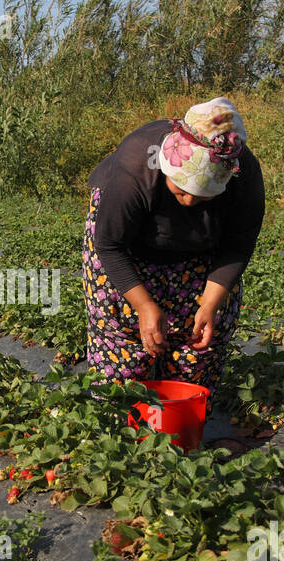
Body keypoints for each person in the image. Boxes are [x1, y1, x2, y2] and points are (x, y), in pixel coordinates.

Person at [83, 98, 264, 412]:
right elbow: (110, 245)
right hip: (128, 245)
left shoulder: (243, 173)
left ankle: (179, 412)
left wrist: (209, 305)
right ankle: (118, 420)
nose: (190, 201)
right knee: (122, 327)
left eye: (204, 194)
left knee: (200, 337)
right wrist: (143, 306)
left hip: (201, 251)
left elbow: (237, 246)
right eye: (181, 190)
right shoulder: (137, 163)